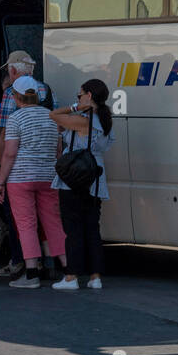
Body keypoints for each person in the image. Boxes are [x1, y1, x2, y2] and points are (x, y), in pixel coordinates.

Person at [0, 76, 67, 288]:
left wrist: (0, 182)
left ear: (16, 97)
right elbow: (58, 151)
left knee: (26, 225)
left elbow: (9, 154)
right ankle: (68, 269)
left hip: (20, 179)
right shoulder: (51, 117)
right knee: (53, 223)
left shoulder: (15, 119)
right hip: (48, 177)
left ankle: (31, 273)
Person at [0, 53, 52, 279]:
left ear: (14, 72)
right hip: (46, 170)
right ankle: (52, 265)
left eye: (8, 70)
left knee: (19, 219)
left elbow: (4, 135)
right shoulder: (47, 90)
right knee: (47, 218)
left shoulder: (10, 94)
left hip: (19, 172)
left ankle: (21, 262)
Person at [49, 79, 115, 290]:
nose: (77, 99)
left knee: (73, 229)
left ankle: (71, 277)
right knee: (92, 228)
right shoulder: (106, 120)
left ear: (89, 96)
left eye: (79, 95)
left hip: (75, 178)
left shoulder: (83, 120)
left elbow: (54, 115)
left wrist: (77, 107)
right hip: (95, 177)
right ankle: (95, 277)